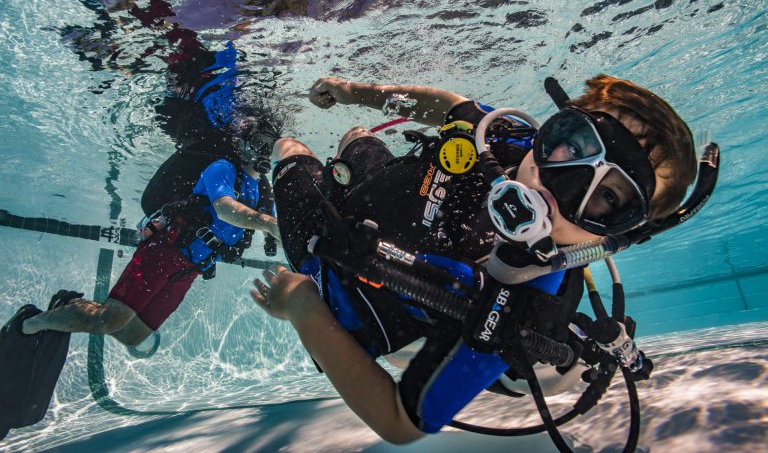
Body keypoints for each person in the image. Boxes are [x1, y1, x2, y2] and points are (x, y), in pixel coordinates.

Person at [249, 74, 698, 444]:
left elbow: (399, 422)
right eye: (577, 146)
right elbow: (451, 106)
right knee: (356, 136)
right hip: (384, 187)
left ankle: (260, 148)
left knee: (288, 150)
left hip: (333, 267)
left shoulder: (524, 306)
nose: (562, 183)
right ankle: (333, 146)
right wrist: (357, 94)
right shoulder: (507, 138)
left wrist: (304, 309)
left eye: (607, 196)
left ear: (621, 233)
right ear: (556, 128)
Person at [21, 117, 281, 350]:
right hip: (167, 250)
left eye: (270, 146)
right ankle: (32, 322)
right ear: (243, 142)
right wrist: (268, 223)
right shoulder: (223, 168)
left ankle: (70, 311)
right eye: (259, 143)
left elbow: (278, 231)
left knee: (132, 335)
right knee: (108, 320)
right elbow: (224, 209)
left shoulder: (261, 189)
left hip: (192, 267)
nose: (264, 152)